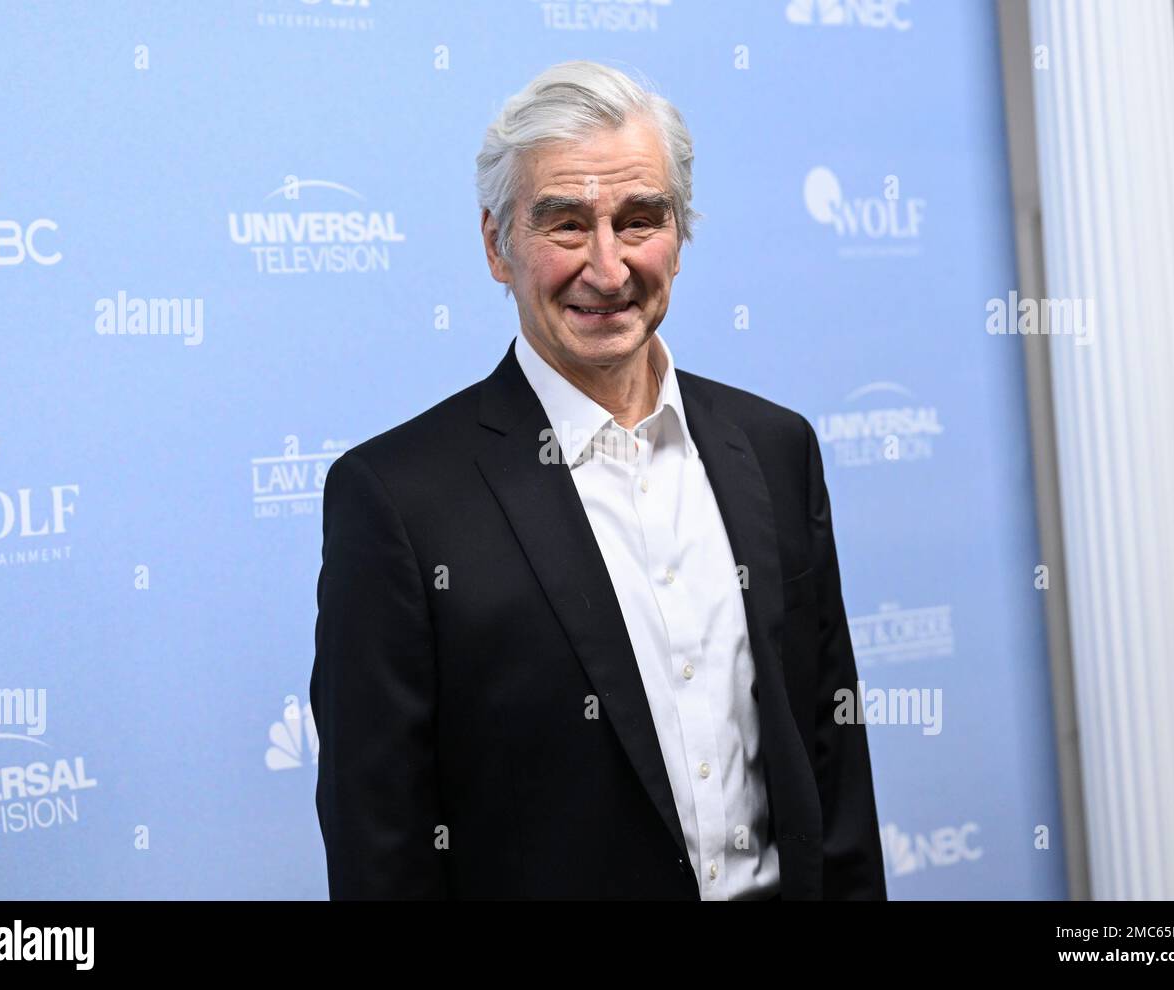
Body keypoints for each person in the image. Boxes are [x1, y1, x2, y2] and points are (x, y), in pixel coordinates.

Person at [310, 60, 886, 900]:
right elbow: (381, 848)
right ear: (496, 245)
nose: (609, 269)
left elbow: (833, 775)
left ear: (680, 239)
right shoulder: (397, 500)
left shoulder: (775, 448)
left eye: (640, 219)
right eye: (567, 225)